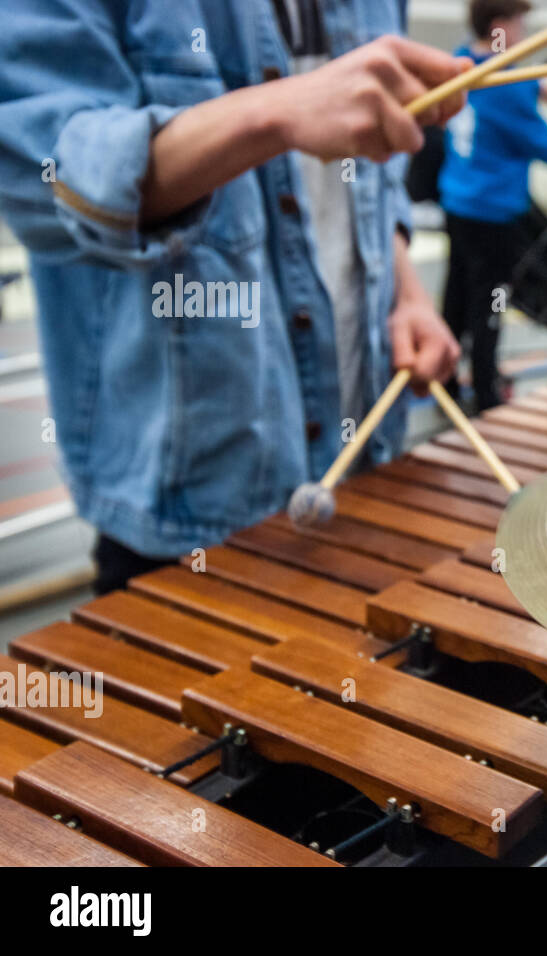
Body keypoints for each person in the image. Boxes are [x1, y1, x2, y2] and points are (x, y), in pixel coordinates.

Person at [0, 0, 468, 593]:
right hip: (187, 510)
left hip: (366, 461)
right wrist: (270, 113)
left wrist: (407, 293)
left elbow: (375, 169)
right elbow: (42, 174)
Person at [438, 0, 547, 411]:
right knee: (491, 300)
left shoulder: (460, 63)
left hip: (457, 201)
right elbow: (538, 141)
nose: (524, 34)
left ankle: (445, 381)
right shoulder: (509, 88)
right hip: (493, 213)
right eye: (519, 25)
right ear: (500, 28)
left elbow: (497, 87)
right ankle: (485, 391)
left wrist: (537, 86)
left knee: (457, 292)